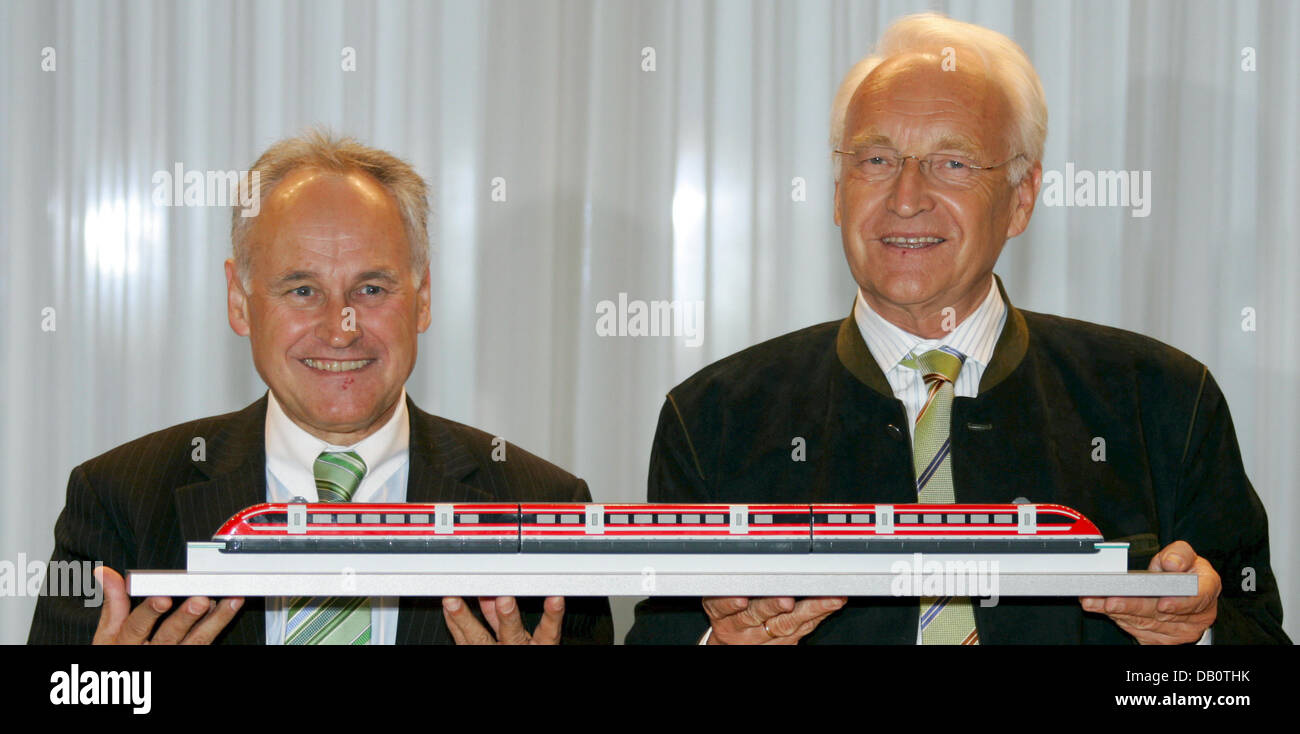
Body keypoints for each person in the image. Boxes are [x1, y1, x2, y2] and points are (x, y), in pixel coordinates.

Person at [625, 13, 1288, 645]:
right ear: (836, 191)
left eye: (953, 163)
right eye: (876, 160)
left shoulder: (1163, 402)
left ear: (1021, 199)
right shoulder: (714, 418)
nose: (907, 197)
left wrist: (1196, 635)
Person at [29, 130, 613, 645]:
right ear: (239, 300)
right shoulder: (119, 503)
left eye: (373, 289)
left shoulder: (548, 512)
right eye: (302, 290)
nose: (341, 329)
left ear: (424, 298)